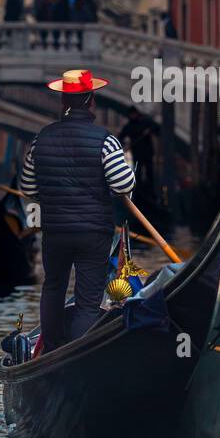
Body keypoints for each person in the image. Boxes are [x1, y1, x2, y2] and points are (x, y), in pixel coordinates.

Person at [20, 68, 135, 353]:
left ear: (63, 102)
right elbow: (123, 185)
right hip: (93, 233)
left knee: (53, 287)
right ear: (91, 99)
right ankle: (77, 352)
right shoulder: (106, 141)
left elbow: (27, 187)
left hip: (56, 231)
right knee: (87, 299)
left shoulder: (41, 139)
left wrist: (53, 193)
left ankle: (53, 349)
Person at [119, 106, 155, 197]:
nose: (132, 116)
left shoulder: (146, 122)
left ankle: (150, 193)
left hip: (147, 153)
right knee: (138, 173)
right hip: (137, 154)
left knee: (149, 173)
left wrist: (149, 130)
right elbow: (121, 137)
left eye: (133, 114)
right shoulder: (129, 126)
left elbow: (156, 128)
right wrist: (125, 145)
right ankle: (139, 193)